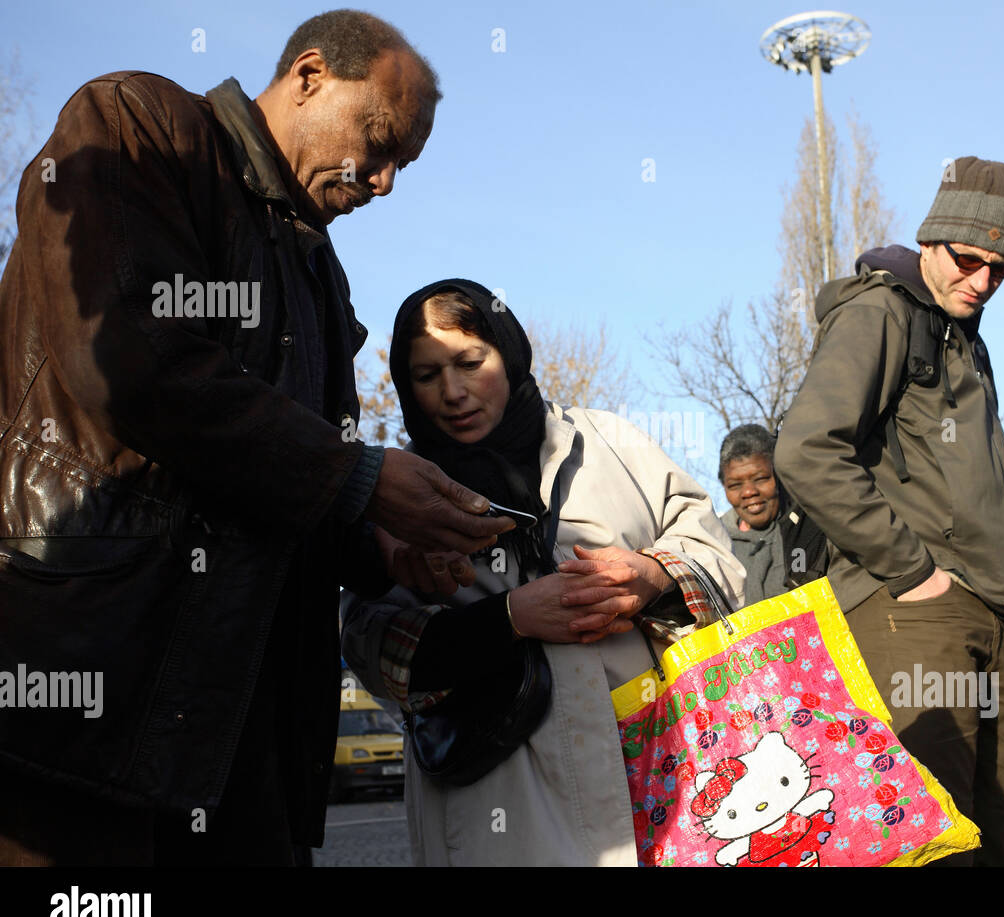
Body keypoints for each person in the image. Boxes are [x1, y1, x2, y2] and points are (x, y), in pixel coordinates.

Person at [0, 11, 511, 866]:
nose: (385, 182)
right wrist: (357, 479)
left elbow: (289, 479)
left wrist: (384, 547)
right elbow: (130, 353)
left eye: (404, 166)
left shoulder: (318, 274)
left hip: (250, 738)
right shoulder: (139, 124)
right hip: (90, 697)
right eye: (379, 141)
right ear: (309, 75)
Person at [341, 279, 744, 866]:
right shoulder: (402, 495)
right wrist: (508, 620)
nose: (452, 392)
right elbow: (369, 643)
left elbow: (716, 552)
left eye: (470, 362)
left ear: (510, 353)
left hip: (668, 769)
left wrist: (654, 576)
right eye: (427, 376)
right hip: (496, 796)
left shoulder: (611, 443)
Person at [774, 157, 1004, 865]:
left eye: (1001, 268)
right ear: (930, 240)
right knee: (926, 850)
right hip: (913, 613)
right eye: (968, 258)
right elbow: (804, 452)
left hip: (988, 619)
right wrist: (914, 571)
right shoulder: (880, 311)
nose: (981, 281)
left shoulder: (962, 335)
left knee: (988, 845)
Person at [718, 424, 828, 606]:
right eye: (735, 485)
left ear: (779, 475)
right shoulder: (716, 544)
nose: (748, 492)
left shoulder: (808, 529)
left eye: (761, 479)